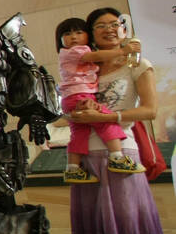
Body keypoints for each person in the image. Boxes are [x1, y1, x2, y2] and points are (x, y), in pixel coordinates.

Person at [67, 8, 174, 234]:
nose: (109, 29)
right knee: (104, 229)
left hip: (121, 155)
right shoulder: (88, 69)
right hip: (88, 157)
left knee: (128, 227)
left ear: (124, 30)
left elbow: (151, 110)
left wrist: (106, 117)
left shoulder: (138, 65)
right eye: (100, 26)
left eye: (115, 24)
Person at [54, 16, 144, 182]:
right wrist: (123, 51)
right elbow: (96, 56)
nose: (73, 37)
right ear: (60, 39)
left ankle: (73, 168)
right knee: (105, 121)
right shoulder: (76, 51)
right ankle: (117, 158)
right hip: (79, 95)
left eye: (79, 32)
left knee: (79, 132)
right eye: (67, 33)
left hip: (70, 98)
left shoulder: (66, 54)